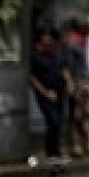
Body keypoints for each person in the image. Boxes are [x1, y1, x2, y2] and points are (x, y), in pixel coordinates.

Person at [29, 27, 72, 167]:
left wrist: (69, 83)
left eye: (50, 38)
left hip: (60, 91)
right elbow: (33, 78)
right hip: (46, 92)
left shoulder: (58, 53)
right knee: (53, 121)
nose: (48, 41)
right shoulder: (35, 55)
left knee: (59, 122)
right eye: (45, 38)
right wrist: (45, 92)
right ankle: (51, 152)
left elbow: (64, 69)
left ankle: (56, 152)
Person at [62, 17, 89, 157]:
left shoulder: (85, 41)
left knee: (86, 113)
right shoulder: (71, 42)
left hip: (85, 79)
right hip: (76, 80)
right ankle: (76, 144)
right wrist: (70, 82)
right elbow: (66, 65)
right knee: (76, 114)